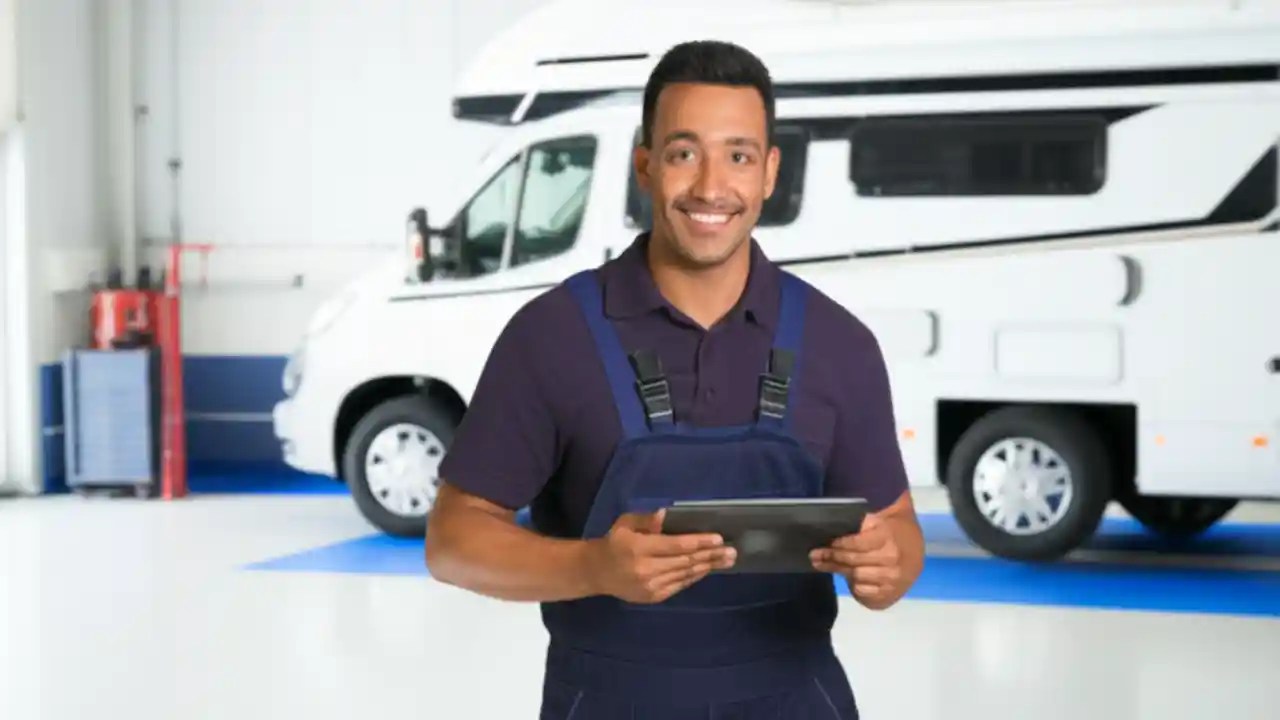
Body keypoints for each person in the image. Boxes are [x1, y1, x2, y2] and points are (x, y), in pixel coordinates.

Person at [426, 39, 924, 719]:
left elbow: (898, 526)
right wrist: (594, 568)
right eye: (685, 152)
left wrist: (889, 567)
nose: (711, 187)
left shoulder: (842, 345)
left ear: (771, 171)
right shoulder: (552, 336)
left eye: (739, 156)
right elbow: (453, 541)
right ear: (646, 164)